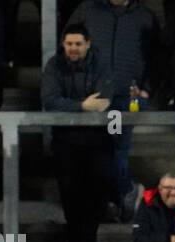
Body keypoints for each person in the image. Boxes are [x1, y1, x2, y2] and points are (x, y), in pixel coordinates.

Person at [68, 0, 161, 220]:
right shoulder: (86, 10)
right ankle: (120, 196)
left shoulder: (145, 17)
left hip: (127, 98)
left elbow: (158, 56)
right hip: (93, 97)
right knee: (98, 152)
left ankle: (125, 192)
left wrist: (147, 88)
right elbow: (69, 46)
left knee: (116, 145)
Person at [41, 22, 114, 242]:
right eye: (69, 44)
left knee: (95, 197)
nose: (73, 48)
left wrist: (70, 105)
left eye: (78, 44)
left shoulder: (102, 64)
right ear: (63, 44)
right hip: (66, 143)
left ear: (88, 44)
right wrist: (82, 105)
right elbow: (50, 100)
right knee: (70, 195)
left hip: (98, 142)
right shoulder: (54, 65)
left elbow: (103, 101)